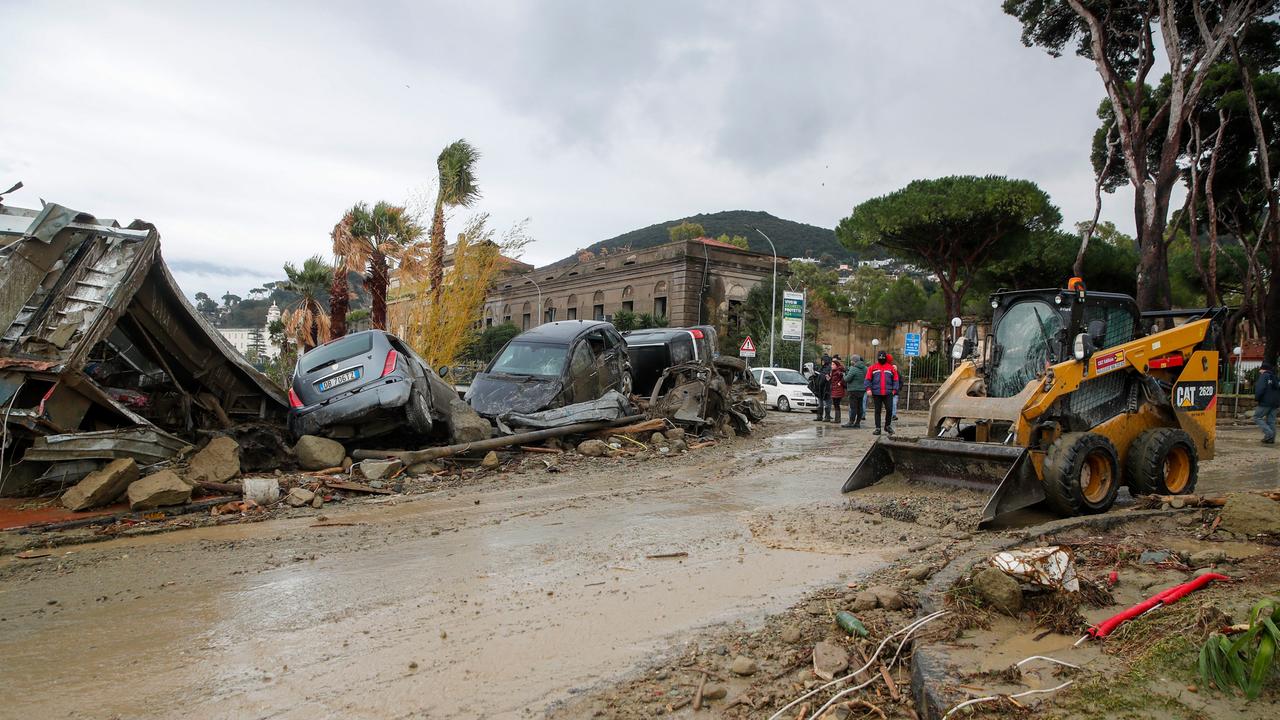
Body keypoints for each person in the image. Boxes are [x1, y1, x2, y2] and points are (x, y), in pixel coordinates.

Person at [864, 350, 900, 435]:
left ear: (885, 358)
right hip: (876, 393)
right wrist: (868, 389)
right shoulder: (872, 368)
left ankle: (887, 426)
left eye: (883, 357)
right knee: (877, 411)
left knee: (890, 409)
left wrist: (894, 390)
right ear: (878, 358)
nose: (881, 359)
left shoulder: (891, 368)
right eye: (880, 357)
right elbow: (867, 379)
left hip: (888, 393)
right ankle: (878, 428)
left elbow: (896, 380)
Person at [1255, 361, 1280, 444]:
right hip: (1275, 403)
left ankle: (1269, 433)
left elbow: (1260, 388)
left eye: (1261, 369)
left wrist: (1257, 398)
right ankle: (1271, 439)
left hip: (1265, 402)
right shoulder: (1275, 377)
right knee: (1271, 421)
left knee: (1257, 417)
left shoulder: (1264, 376)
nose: (1259, 371)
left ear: (1264, 370)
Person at [842, 354, 867, 428]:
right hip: (862, 390)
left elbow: (847, 379)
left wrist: (844, 374)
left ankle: (851, 422)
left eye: (851, 360)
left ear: (854, 361)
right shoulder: (865, 368)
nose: (851, 361)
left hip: (853, 390)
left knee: (853, 407)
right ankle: (858, 423)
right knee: (860, 407)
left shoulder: (853, 368)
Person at [814, 354, 833, 422]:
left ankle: (827, 417)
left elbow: (827, 377)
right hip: (820, 388)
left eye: (823, 360)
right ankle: (819, 416)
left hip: (826, 388)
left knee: (827, 403)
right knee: (820, 403)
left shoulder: (829, 368)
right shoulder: (821, 368)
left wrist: (821, 375)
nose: (822, 362)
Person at [829, 355, 846, 424]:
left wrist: (840, 382)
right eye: (831, 364)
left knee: (836, 404)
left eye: (833, 364)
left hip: (838, 390)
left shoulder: (838, 372)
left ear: (836, 365)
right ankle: (837, 419)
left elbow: (844, 377)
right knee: (836, 405)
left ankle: (837, 419)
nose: (831, 366)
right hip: (835, 389)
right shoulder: (834, 371)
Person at [887, 353, 901, 421]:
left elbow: (900, 381)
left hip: (895, 392)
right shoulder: (889, 372)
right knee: (890, 404)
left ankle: (894, 415)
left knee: (894, 404)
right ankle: (891, 415)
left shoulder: (897, 373)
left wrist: (898, 388)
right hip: (889, 391)